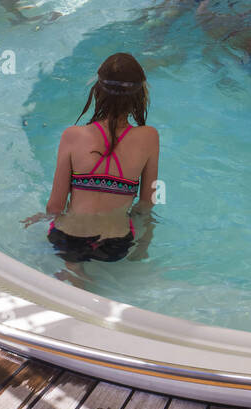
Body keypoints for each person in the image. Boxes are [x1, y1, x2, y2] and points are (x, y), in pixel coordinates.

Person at [23, 53, 160, 268]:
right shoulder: (149, 137)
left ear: (97, 92)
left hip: (66, 237)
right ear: (140, 95)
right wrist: (144, 243)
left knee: (72, 261)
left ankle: (73, 269)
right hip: (116, 244)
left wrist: (43, 217)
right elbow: (146, 203)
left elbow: (55, 205)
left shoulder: (72, 135)